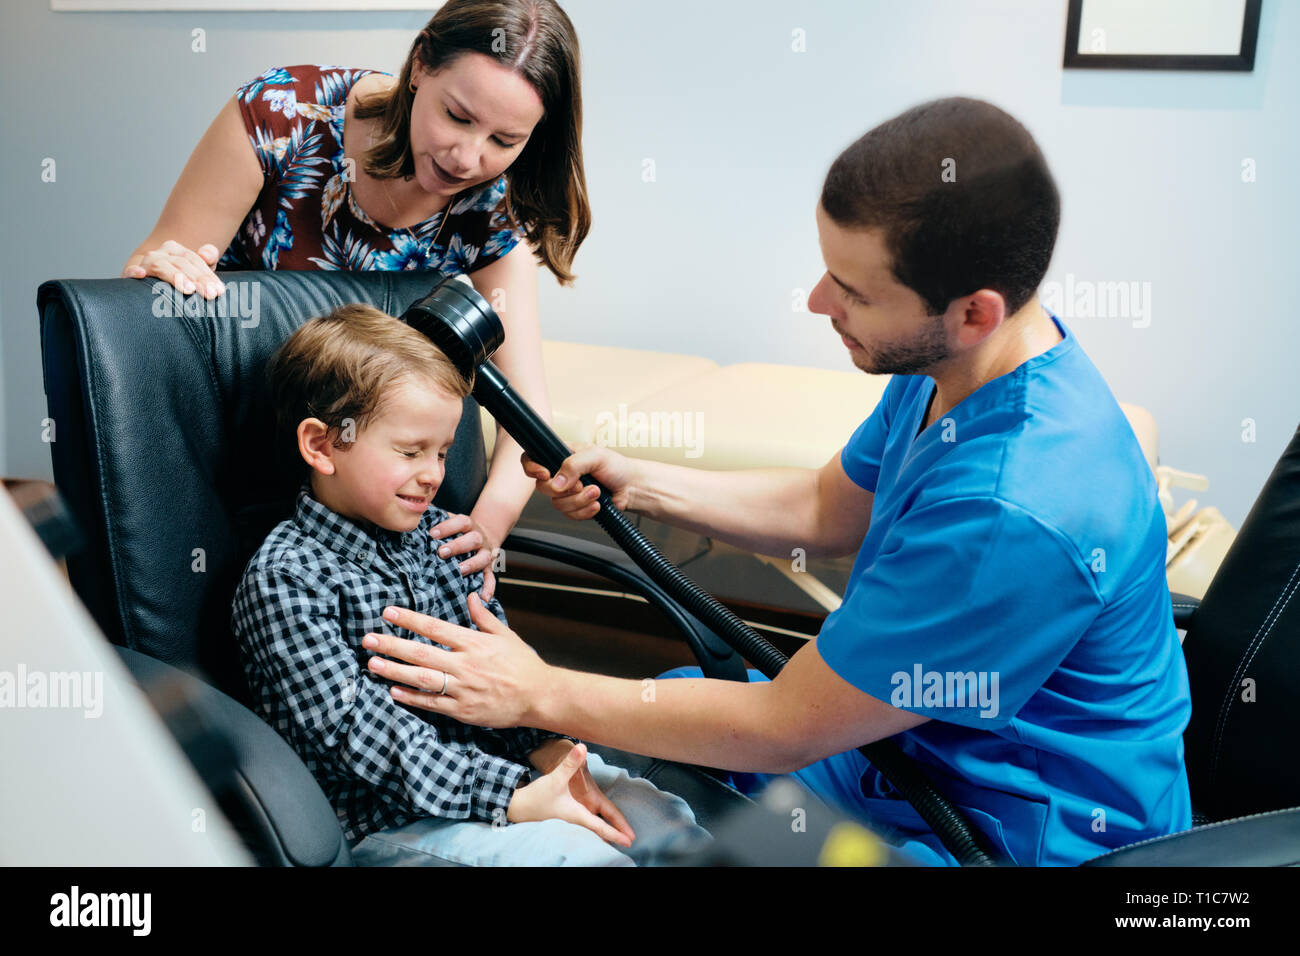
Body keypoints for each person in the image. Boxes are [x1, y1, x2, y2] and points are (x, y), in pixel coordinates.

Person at [355, 97, 1194, 867]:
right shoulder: (959, 362)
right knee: (661, 721)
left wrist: (534, 689)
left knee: (635, 807)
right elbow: (829, 509)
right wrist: (642, 483)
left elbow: (784, 727)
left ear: (973, 310)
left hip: (992, 827)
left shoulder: (1019, 508)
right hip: (888, 754)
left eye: (855, 292)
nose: (819, 301)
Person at [121, 0, 590, 599]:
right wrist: (157, 270)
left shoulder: (495, 202)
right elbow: (151, 290)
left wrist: (488, 526)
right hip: (231, 450)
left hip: (366, 505)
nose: (467, 157)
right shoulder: (280, 116)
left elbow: (525, 409)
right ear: (420, 64)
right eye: (457, 116)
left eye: (505, 139)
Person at [231, 304, 710, 866]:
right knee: (579, 859)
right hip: (393, 820)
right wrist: (512, 795)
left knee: (664, 825)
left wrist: (543, 749)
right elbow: (361, 738)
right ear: (320, 445)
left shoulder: (443, 538)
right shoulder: (287, 580)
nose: (434, 473)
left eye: (442, 451)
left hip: (498, 772)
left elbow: (502, 676)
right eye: (410, 452)